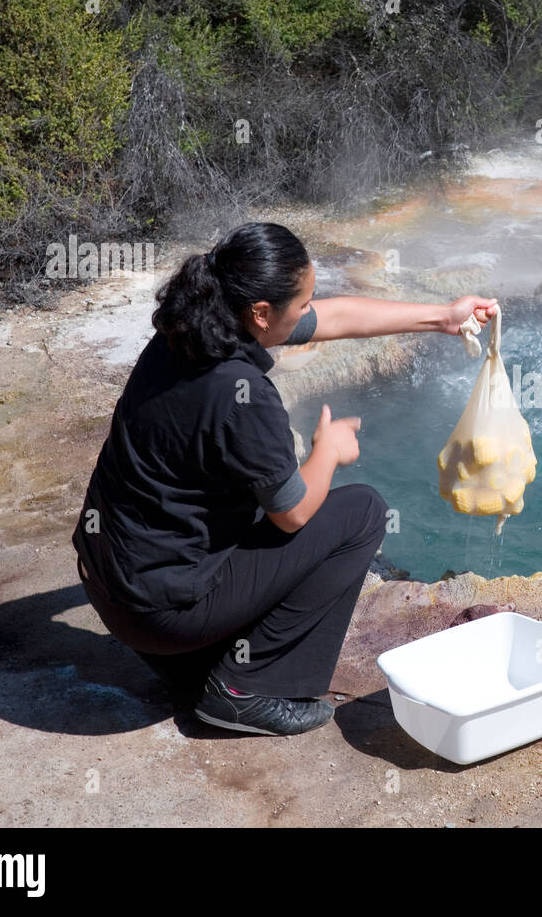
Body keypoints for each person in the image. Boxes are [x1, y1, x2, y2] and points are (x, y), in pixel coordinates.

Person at [72, 221, 497, 735]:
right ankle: (243, 689)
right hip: (158, 618)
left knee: (240, 501)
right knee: (360, 512)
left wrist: (443, 317)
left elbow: (333, 316)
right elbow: (293, 513)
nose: (308, 315)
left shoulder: (186, 331)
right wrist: (329, 451)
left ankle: (195, 663)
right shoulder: (240, 392)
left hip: (111, 591)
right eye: (300, 305)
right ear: (261, 312)